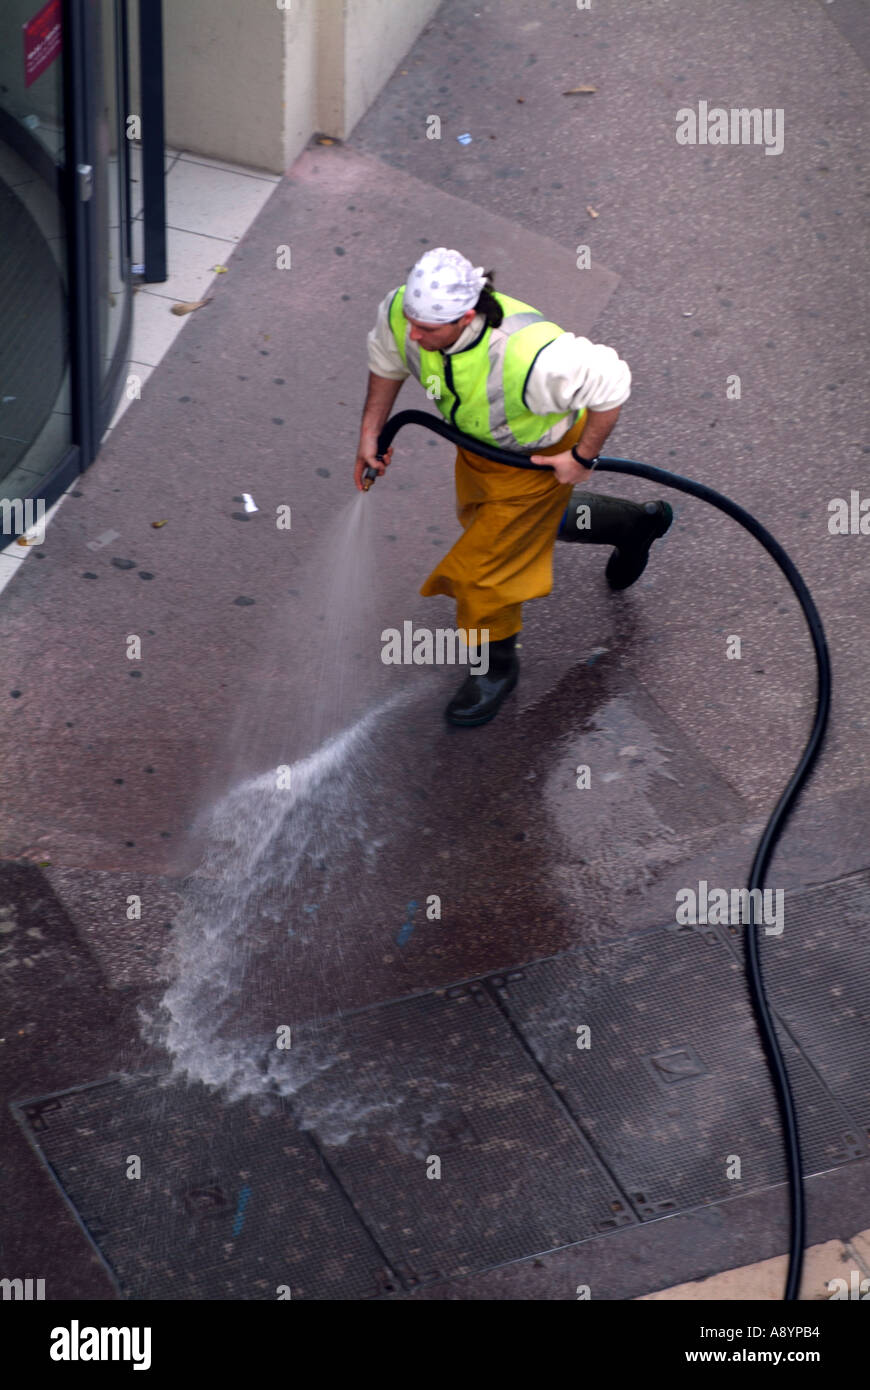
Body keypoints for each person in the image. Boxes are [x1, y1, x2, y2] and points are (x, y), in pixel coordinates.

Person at [355, 248, 672, 727]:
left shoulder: (533, 355)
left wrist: (581, 458)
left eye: (427, 331)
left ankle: (497, 670)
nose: (414, 337)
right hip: (483, 453)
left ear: (466, 316)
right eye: (411, 323)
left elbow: (612, 384)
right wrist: (370, 431)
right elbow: (387, 355)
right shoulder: (407, 313)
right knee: (509, 529)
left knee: (485, 575)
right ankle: (634, 525)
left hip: (539, 457)